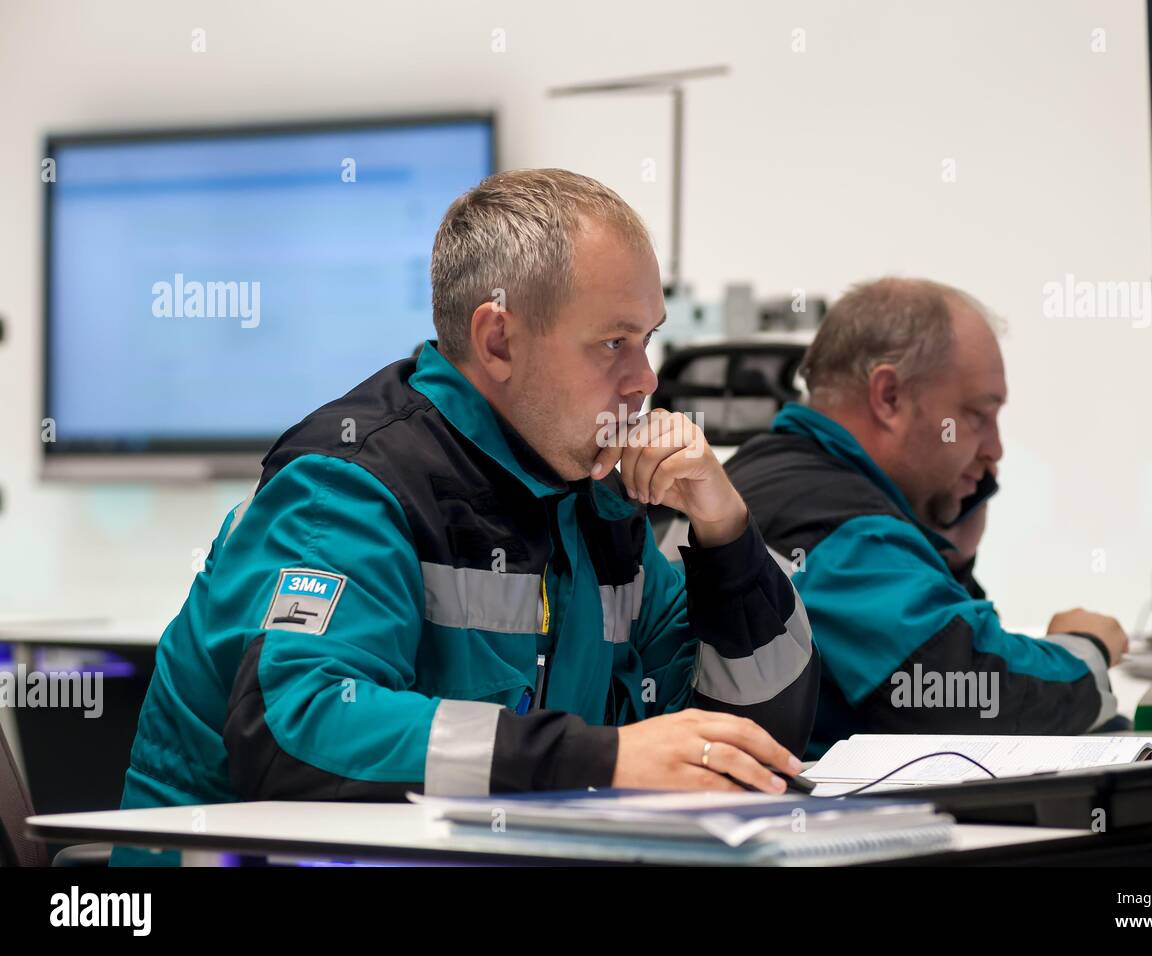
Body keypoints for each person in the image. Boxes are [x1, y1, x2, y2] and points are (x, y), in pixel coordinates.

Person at [111, 169, 817, 865]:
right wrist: (596, 760)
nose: (646, 379)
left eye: (648, 339)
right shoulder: (351, 484)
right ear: (499, 342)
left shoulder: (595, 501)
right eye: (613, 343)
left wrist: (726, 536)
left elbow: (751, 747)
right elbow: (296, 724)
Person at [710, 277, 1125, 759]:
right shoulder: (840, 530)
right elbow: (971, 691)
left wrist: (951, 562)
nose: (995, 449)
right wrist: (1088, 647)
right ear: (888, 397)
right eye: (976, 415)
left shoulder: (765, 473)